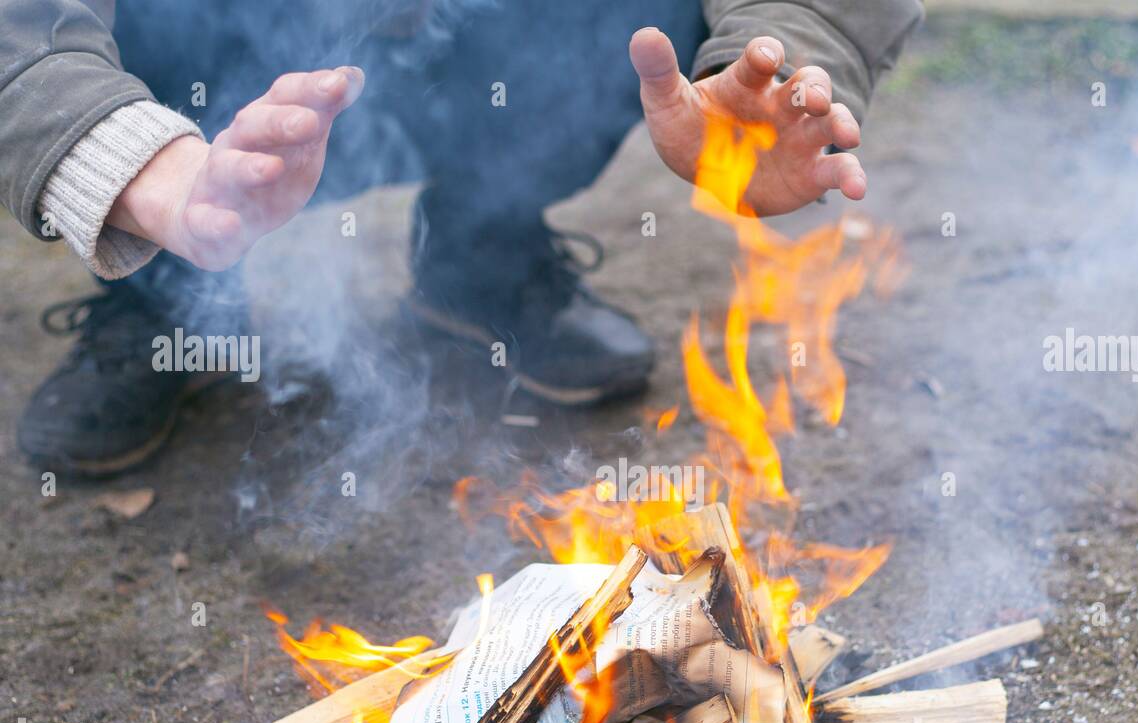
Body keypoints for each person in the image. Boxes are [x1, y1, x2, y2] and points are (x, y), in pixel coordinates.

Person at [1, 0, 922, 476]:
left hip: (488, 56)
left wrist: (783, 45)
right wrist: (133, 165)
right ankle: (167, 293)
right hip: (221, 74)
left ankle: (483, 250)